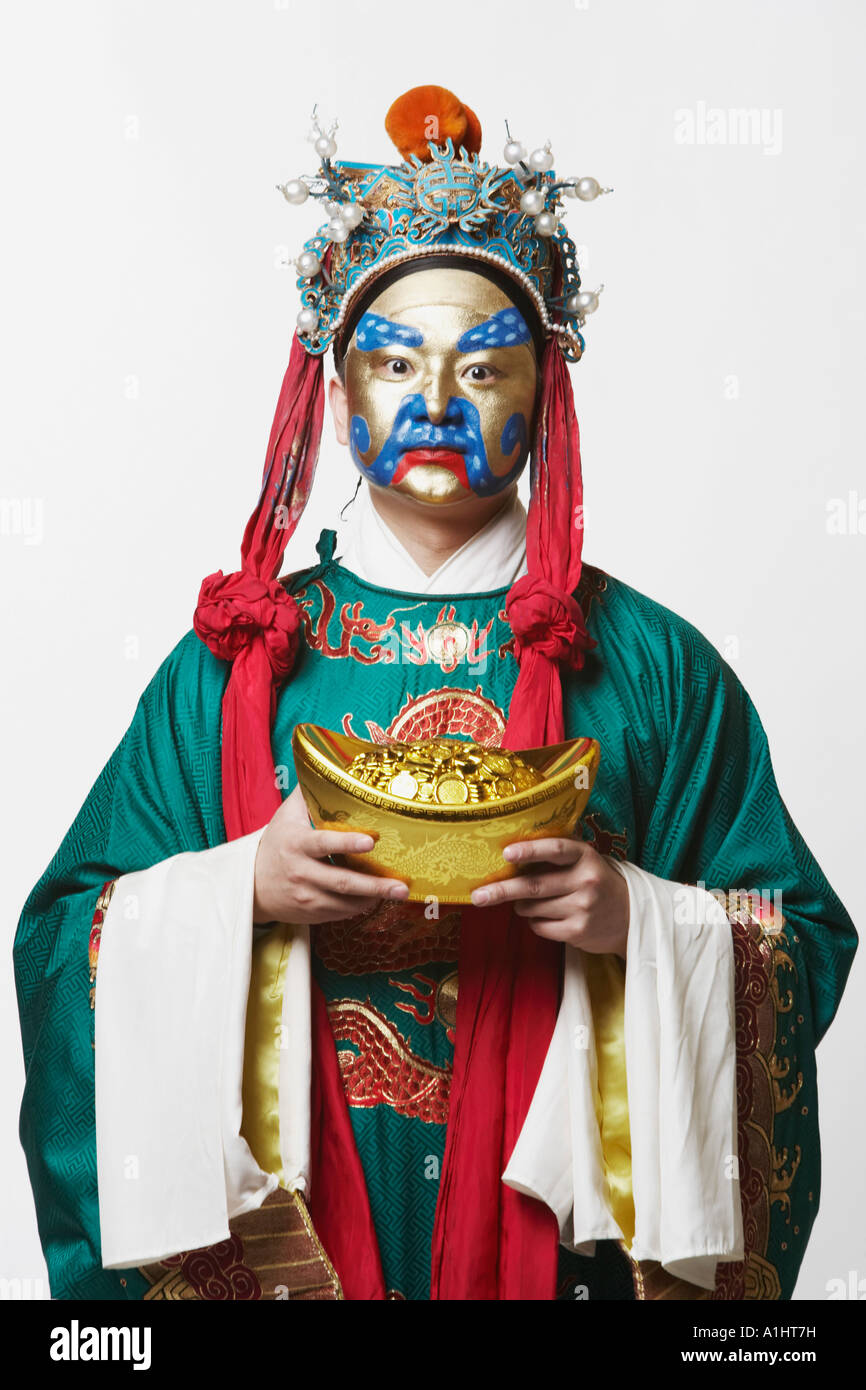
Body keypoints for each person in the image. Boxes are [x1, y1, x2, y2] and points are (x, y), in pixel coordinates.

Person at [14, 84, 856, 1302]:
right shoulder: (234, 661)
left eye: (485, 366)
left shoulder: (655, 664)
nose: (437, 403)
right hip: (297, 1198)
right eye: (395, 360)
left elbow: (804, 940)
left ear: (544, 393)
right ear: (335, 388)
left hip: (562, 1234)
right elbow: (59, 940)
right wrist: (239, 886)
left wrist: (639, 920)